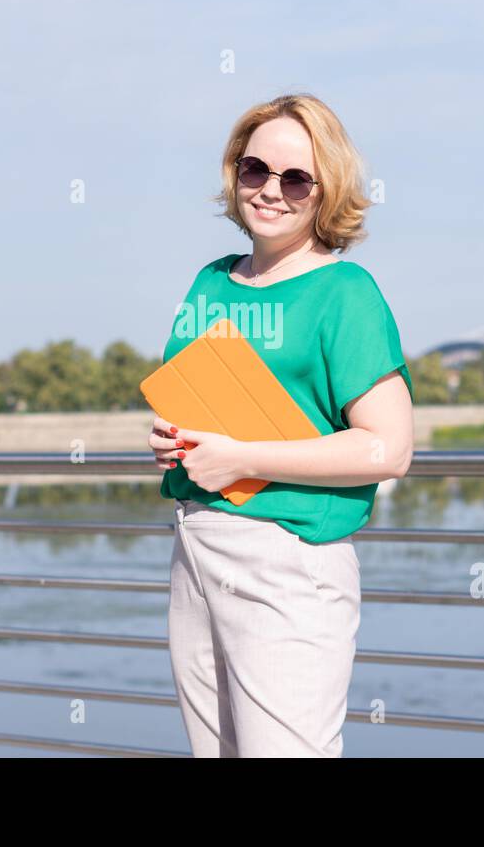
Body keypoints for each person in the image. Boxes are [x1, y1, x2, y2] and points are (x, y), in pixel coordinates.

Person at [149, 92, 415, 757]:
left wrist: (244, 459)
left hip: (287, 561)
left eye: (295, 178)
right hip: (195, 548)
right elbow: (201, 406)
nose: (270, 189)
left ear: (326, 191)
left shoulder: (344, 292)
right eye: (254, 168)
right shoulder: (209, 282)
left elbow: (388, 448)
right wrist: (174, 443)